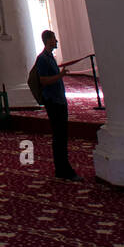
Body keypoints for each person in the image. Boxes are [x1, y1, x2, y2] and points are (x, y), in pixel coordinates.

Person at [35, 30, 78, 181]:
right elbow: (43, 81)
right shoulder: (42, 59)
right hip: (53, 101)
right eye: (54, 39)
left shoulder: (49, 57)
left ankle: (63, 168)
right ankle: (62, 168)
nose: (56, 41)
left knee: (62, 135)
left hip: (59, 100)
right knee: (59, 136)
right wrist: (60, 75)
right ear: (48, 40)